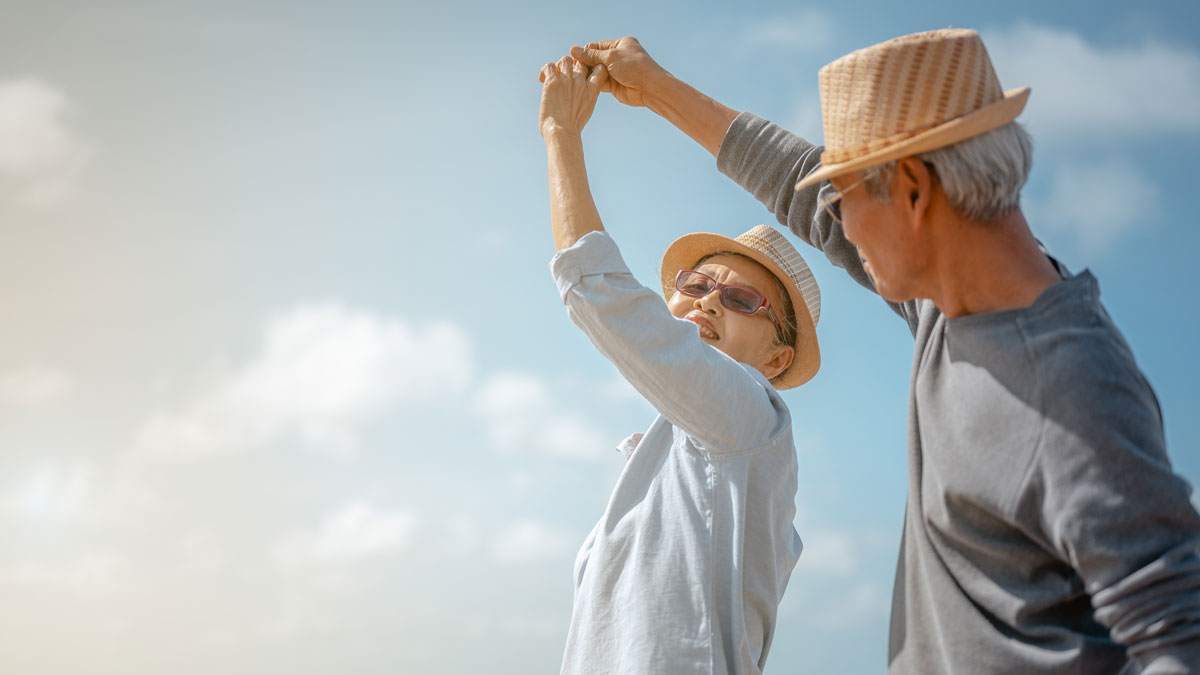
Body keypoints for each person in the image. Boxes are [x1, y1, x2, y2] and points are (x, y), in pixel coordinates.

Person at [565, 29, 1200, 674]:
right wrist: (658, 89)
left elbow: (1179, 630)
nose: (832, 222)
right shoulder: (943, 309)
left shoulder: (1069, 381)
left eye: (844, 197)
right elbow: (792, 182)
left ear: (916, 191)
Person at [539, 54, 825, 675]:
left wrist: (561, 135)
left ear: (777, 358)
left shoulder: (752, 419)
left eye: (743, 299)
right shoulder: (675, 452)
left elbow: (601, 294)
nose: (709, 302)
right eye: (696, 284)